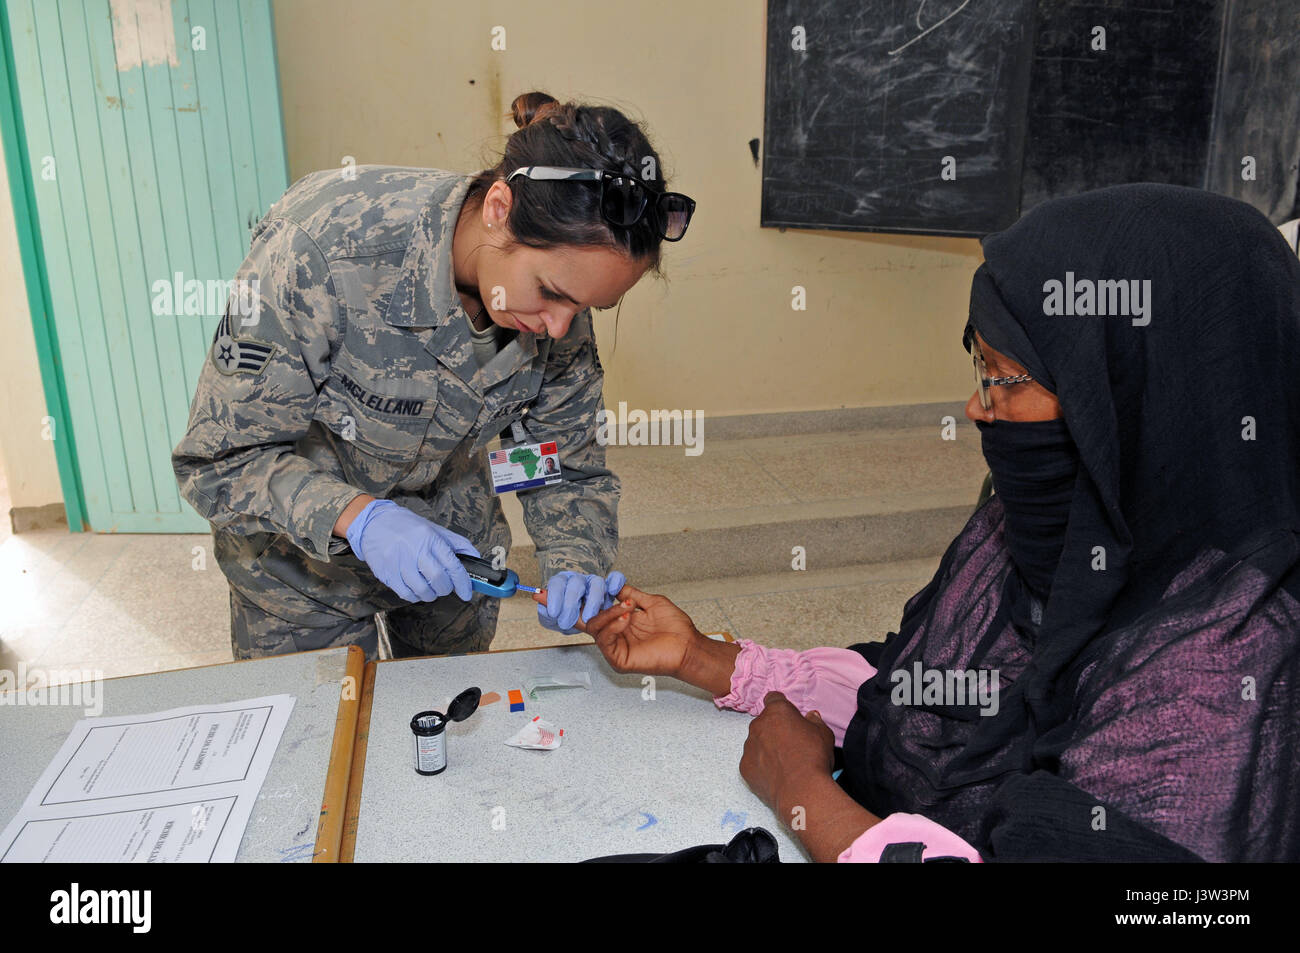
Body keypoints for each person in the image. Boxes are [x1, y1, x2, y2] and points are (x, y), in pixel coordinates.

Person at [559, 183, 1300, 862]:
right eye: (979, 367)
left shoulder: (1222, 675)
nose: (979, 407)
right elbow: (930, 686)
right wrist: (708, 659)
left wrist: (805, 793)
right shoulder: (1055, 527)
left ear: (1132, 396)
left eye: (1006, 377)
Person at [173, 92, 695, 660]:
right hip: (299, 576)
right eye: (551, 294)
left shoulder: (558, 301)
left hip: (455, 564)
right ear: (499, 208)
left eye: (587, 308)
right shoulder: (319, 250)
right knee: (327, 738)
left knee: (442, 733)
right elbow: (223, 462)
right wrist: (362, 519)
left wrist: (575, 563)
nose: (559, 327)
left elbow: (556, 462)